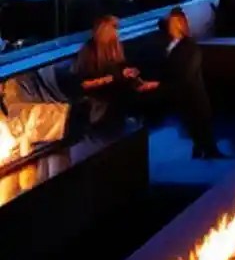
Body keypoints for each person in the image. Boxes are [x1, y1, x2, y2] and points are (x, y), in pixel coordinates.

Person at [161, 8, 225, 159]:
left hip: (195, 99)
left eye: (170, 23)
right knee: (195, 132)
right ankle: (202, 152)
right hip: (185, 99)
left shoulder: (190, 48)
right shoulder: (172, 46)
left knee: (201, 130)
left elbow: (187, 76)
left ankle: (207, 153)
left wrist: (163, 86)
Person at [73, 14, 156, 127]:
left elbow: (120, 67)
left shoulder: (116, 47)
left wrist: (130, 73)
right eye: (114, 28)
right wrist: (113, 78)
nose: (117, 33)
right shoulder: (89, 51)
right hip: (100, 98)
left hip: (116, 91)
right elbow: (84, 84)